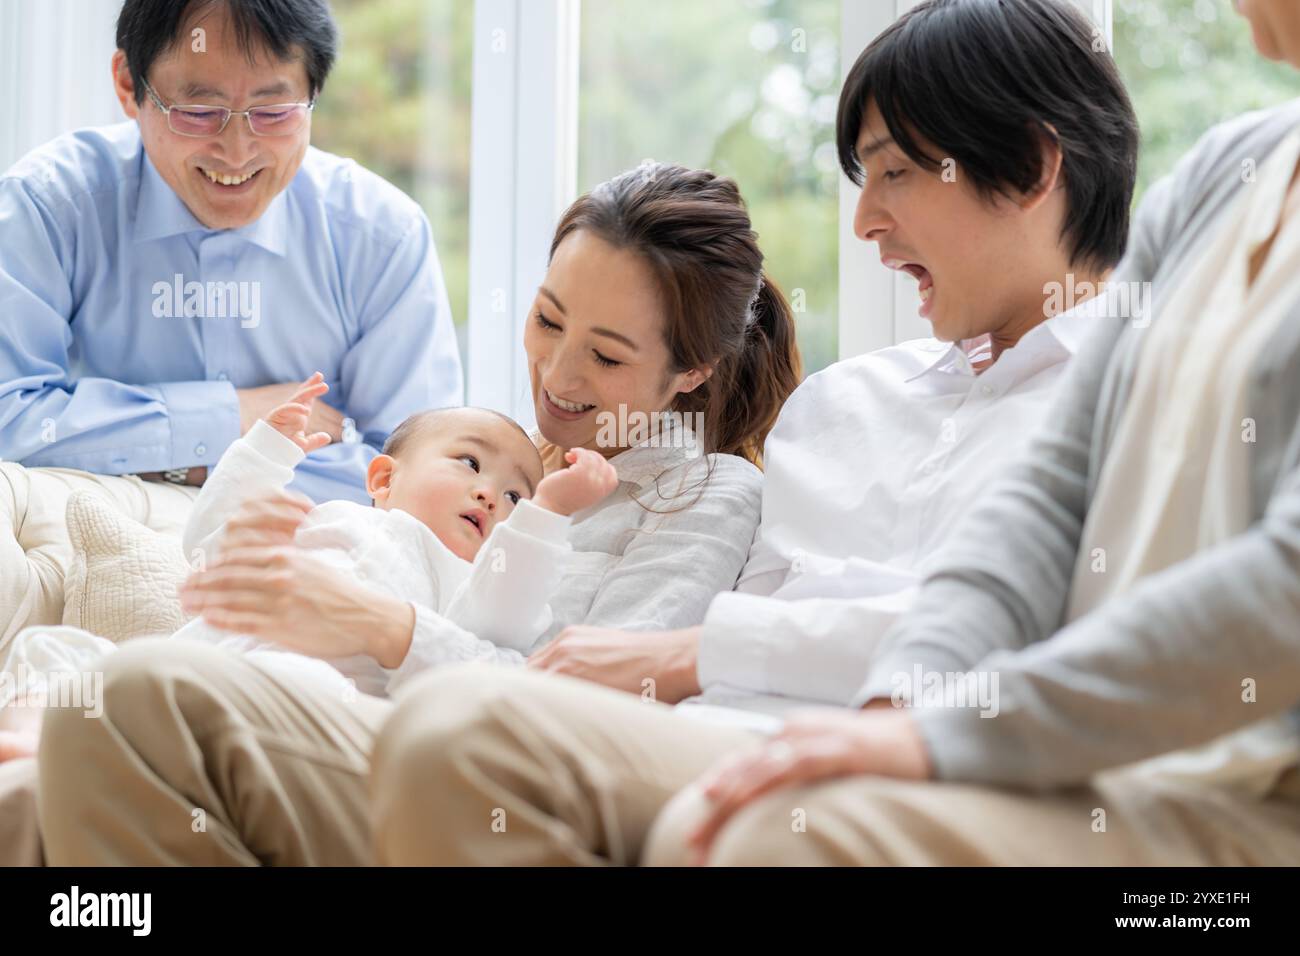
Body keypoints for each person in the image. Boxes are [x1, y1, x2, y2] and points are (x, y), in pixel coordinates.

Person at [365, 0, 1300, 866]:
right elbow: (1028, 534)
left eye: (895, 171)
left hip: (1061, 769)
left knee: (759, 832)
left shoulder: (1142, 371)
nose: (863, 221)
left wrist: (898, 724)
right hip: (745, 729)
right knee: (457, 730)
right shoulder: (840, 403)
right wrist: (893, 710)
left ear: (1033, 165)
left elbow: (1112, 604)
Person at [23, 162, 801, 866]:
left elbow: (583, 717)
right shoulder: (502, 459)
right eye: (548, 320)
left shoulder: (705, 493)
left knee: (138, 698)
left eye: (605, 356)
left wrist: (382, 625)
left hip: (459, 762)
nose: (558, 374)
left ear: (692, 371)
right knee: (53, 758)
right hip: (346, 705)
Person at [0, 374, 619, 762]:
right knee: (58, 654)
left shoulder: (469, 584)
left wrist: (548, 516)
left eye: (516, 496)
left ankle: (111, 753)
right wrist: (266, 451)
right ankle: (33, 739)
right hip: (205, 655)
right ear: (383, 477)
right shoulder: (327, 518)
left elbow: (507, 617)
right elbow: (210, 543)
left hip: (303, 696)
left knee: (299, 696)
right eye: (468, 463)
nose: (491, 496)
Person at [0, 0, 462, 509]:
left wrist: (173, 459)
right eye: (199, 112)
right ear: (129, 85)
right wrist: (232, 417)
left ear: (314, 94)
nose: (238, 151)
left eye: (273, 112)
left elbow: (415, 480)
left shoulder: (382, 235)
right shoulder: (49, 205)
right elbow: (10, 421)